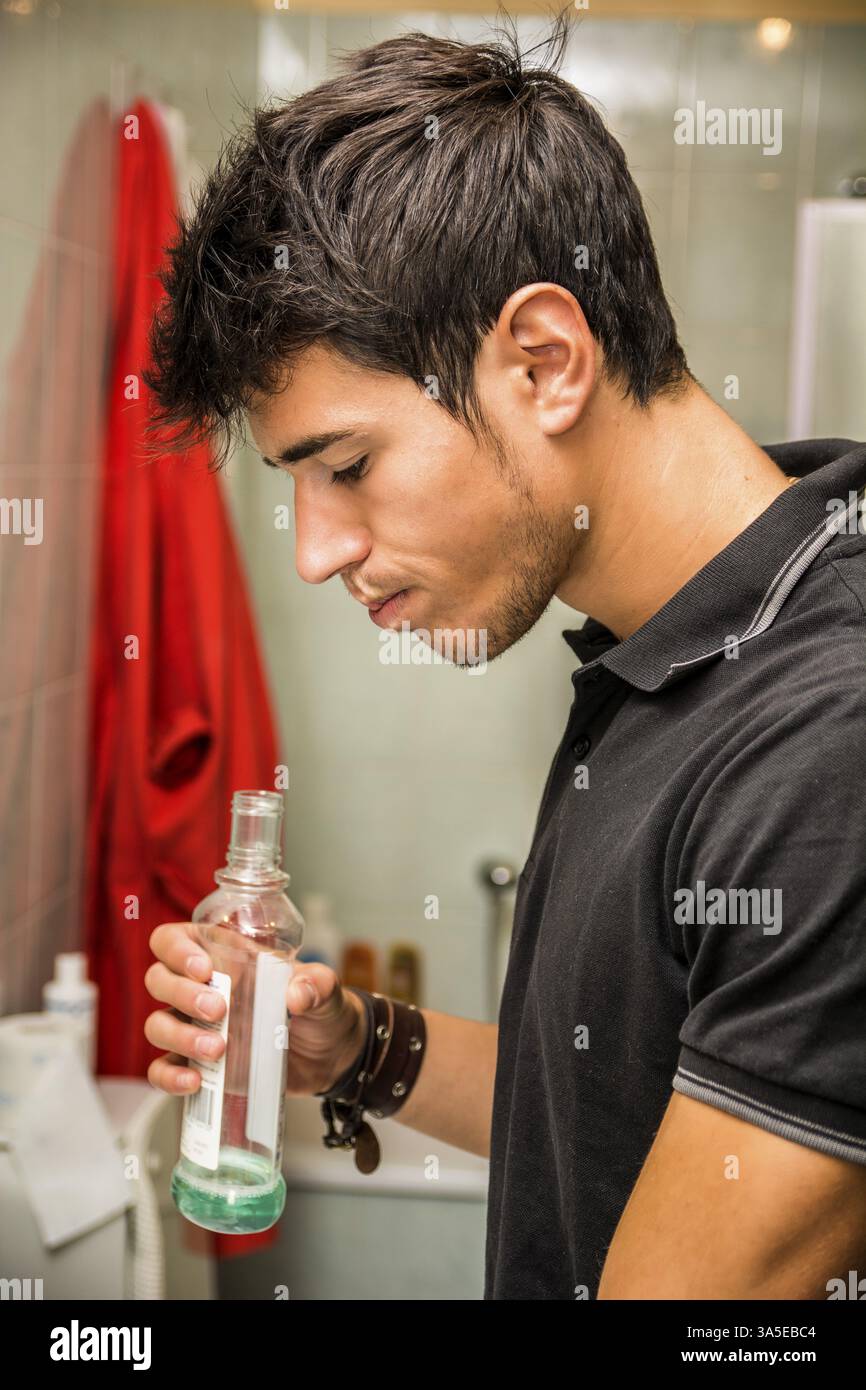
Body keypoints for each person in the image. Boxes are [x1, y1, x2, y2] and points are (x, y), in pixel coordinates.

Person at [142, 12, 866, 1299]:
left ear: (543, 361)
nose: (312, 553)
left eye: (347, 466)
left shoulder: (828, 740)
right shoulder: (673, 650)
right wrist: (354, 1050)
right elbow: (604, 1099)